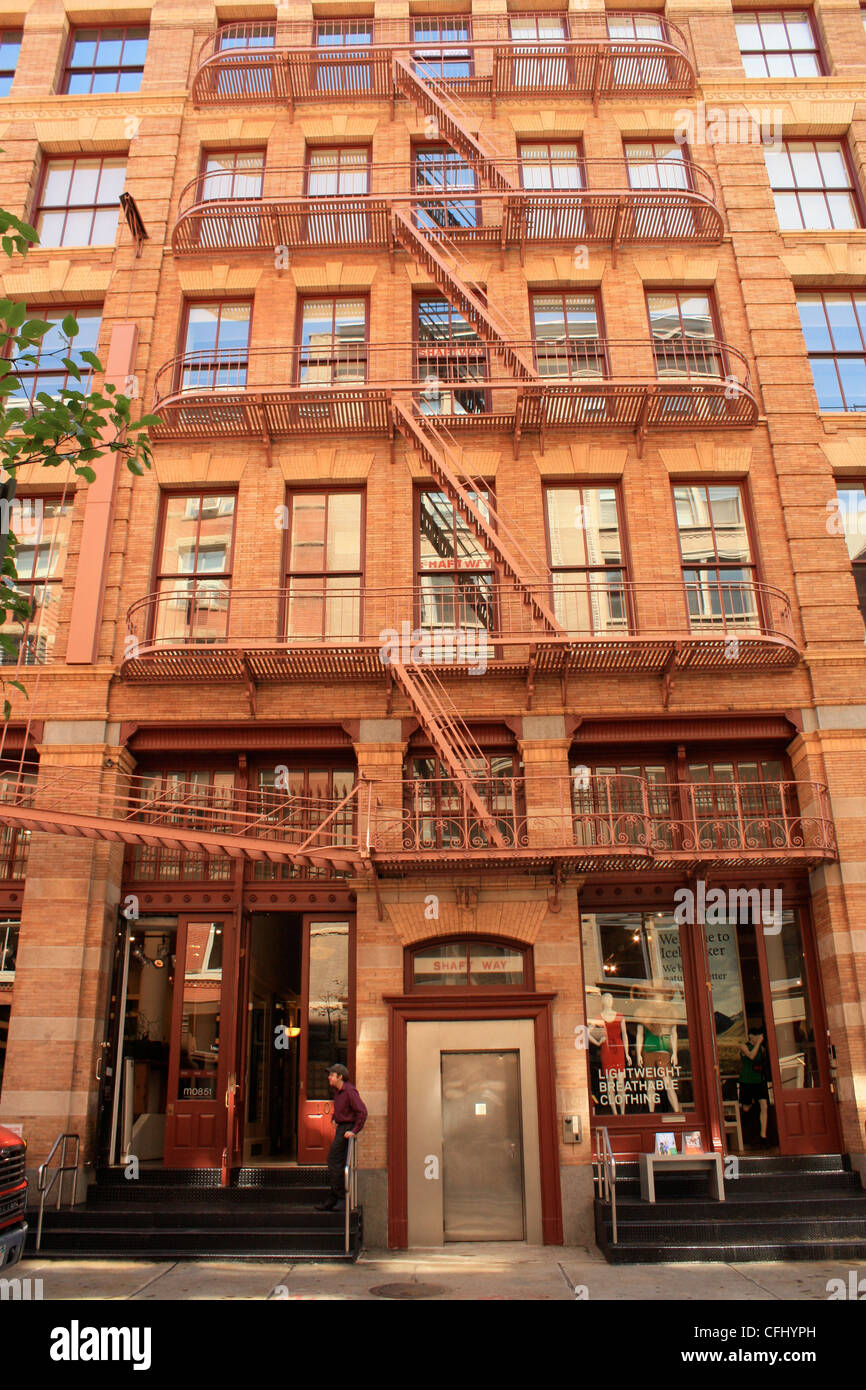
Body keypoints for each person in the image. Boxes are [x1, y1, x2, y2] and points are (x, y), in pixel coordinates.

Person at [315, 1063, 367, 1212]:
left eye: (332, 1075)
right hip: (341, 1128)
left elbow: (362, 1112)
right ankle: (334, 1197)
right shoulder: (337, 1092)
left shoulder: (349, 1091)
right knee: (335, 1162)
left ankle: (341, 1198)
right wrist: (334, 1118)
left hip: (346, 1129)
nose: (329, 1077)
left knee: (334, 1161)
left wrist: (354, 1131)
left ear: (340, 1077)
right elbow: (342, 1109)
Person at [738, 1020, 770, 1144]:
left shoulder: (761, 1048)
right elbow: (751, 1056)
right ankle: (747, 1131)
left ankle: (763, 1136)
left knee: (764, 1105)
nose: (759, 1038)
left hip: (758, 1080)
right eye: (757, 1036)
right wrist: (758, 1044)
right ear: (751, 1036)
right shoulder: (744, 1046)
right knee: (746, 1107)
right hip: (747, 1080)